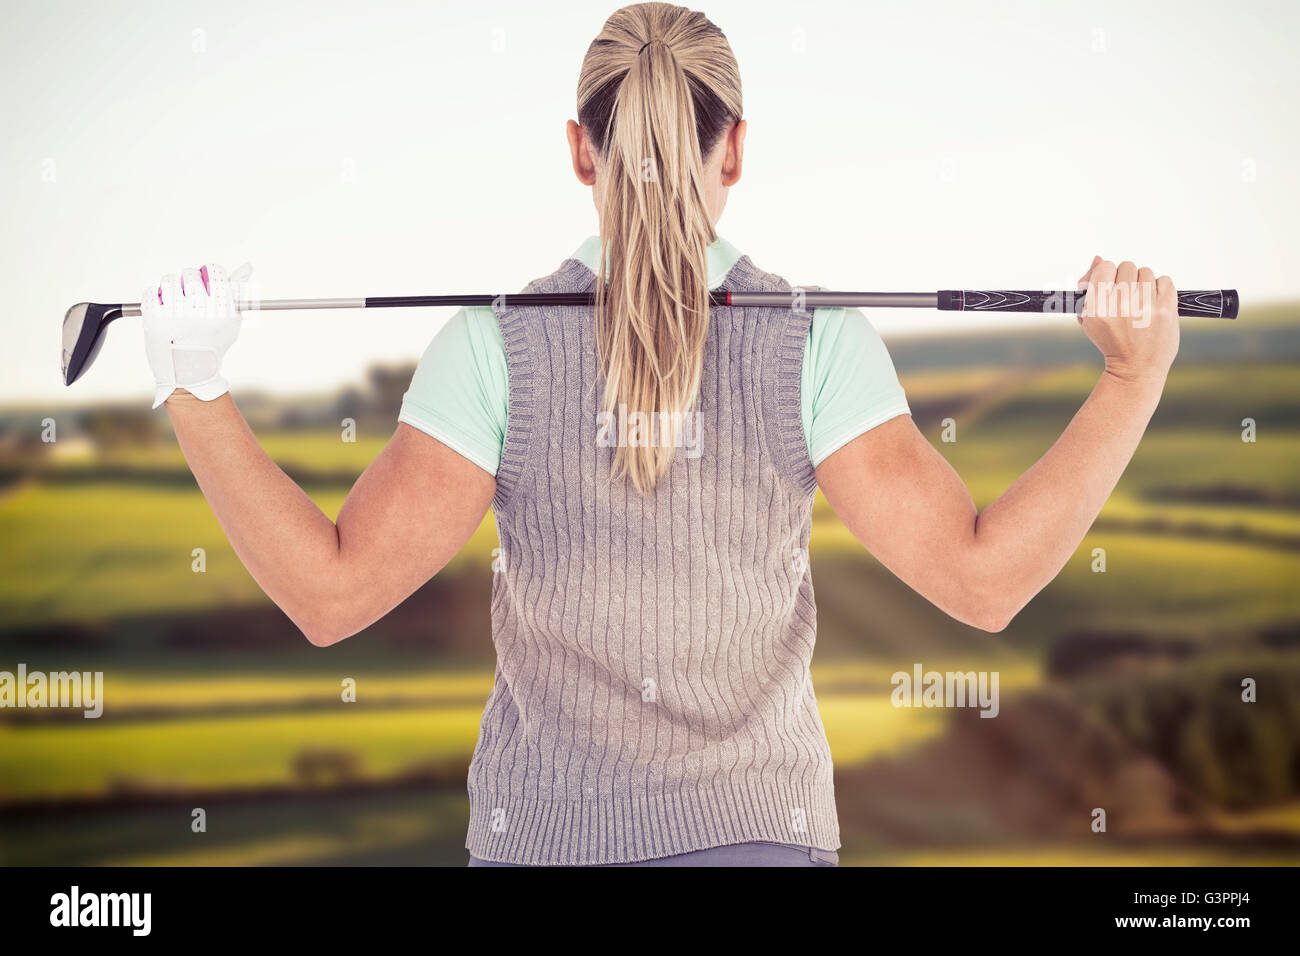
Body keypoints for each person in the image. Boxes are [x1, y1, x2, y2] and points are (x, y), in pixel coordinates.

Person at [140, 2, 1180, 867]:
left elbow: (329, 596)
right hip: (759, 839)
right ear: (735, 146)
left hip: (542, 841)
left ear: (580, 151)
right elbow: (983, 581)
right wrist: (1131, 378)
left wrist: (196, 387)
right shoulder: (813, 344)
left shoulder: (491, 348)